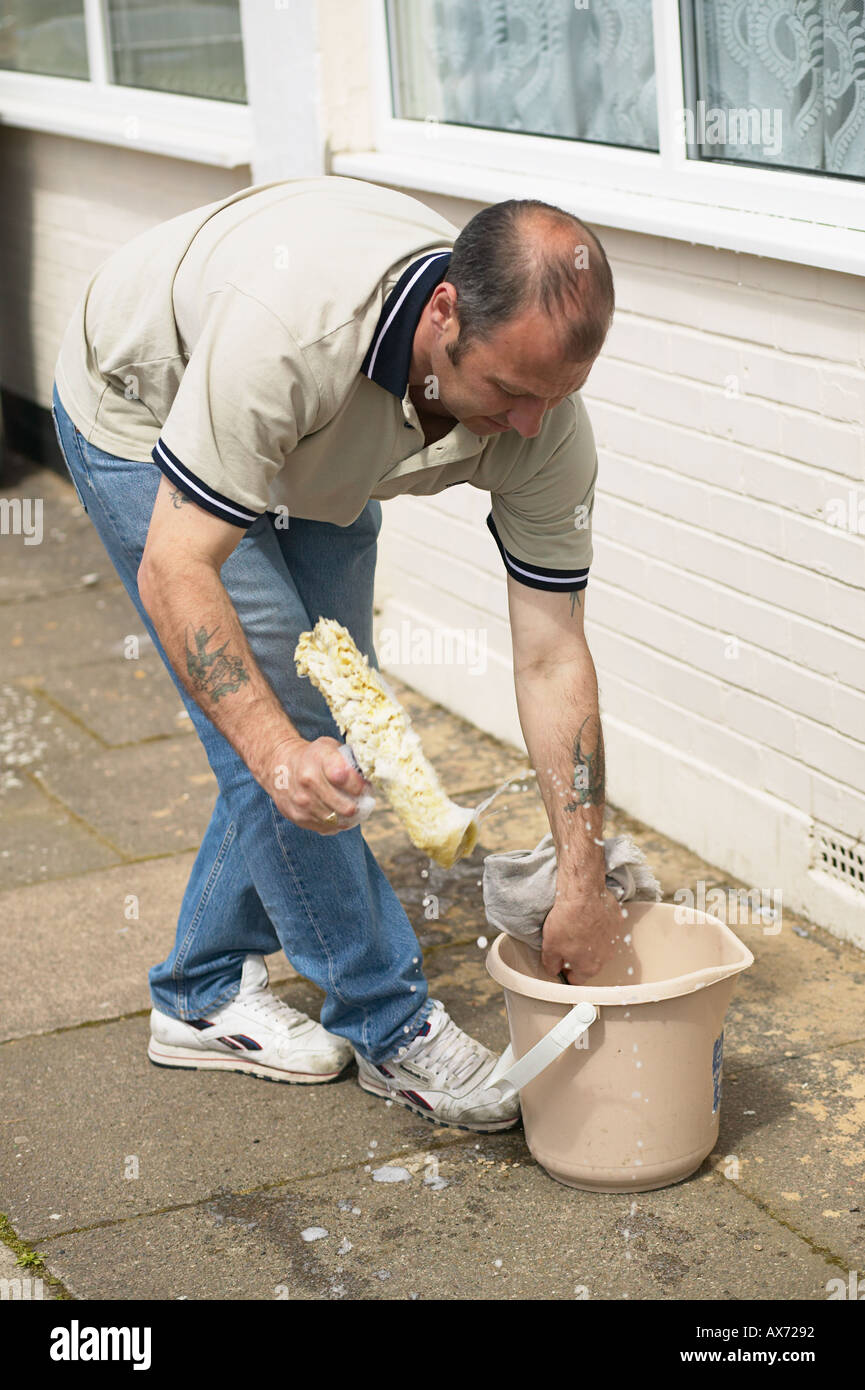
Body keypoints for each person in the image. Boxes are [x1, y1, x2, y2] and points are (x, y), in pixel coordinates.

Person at [51, 175, 620, 1133]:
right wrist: (275, 752)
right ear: (443, 312)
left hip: (325, 452)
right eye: (512, 391)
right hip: (150, 401)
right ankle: (391, 1026)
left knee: (325, 734)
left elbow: (553, 656)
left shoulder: (544, 423)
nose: (530, 423)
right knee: (290, 739)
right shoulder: (291, 334)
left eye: (555, 398)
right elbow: (178, 566)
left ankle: (195, 993)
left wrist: (582, 872)